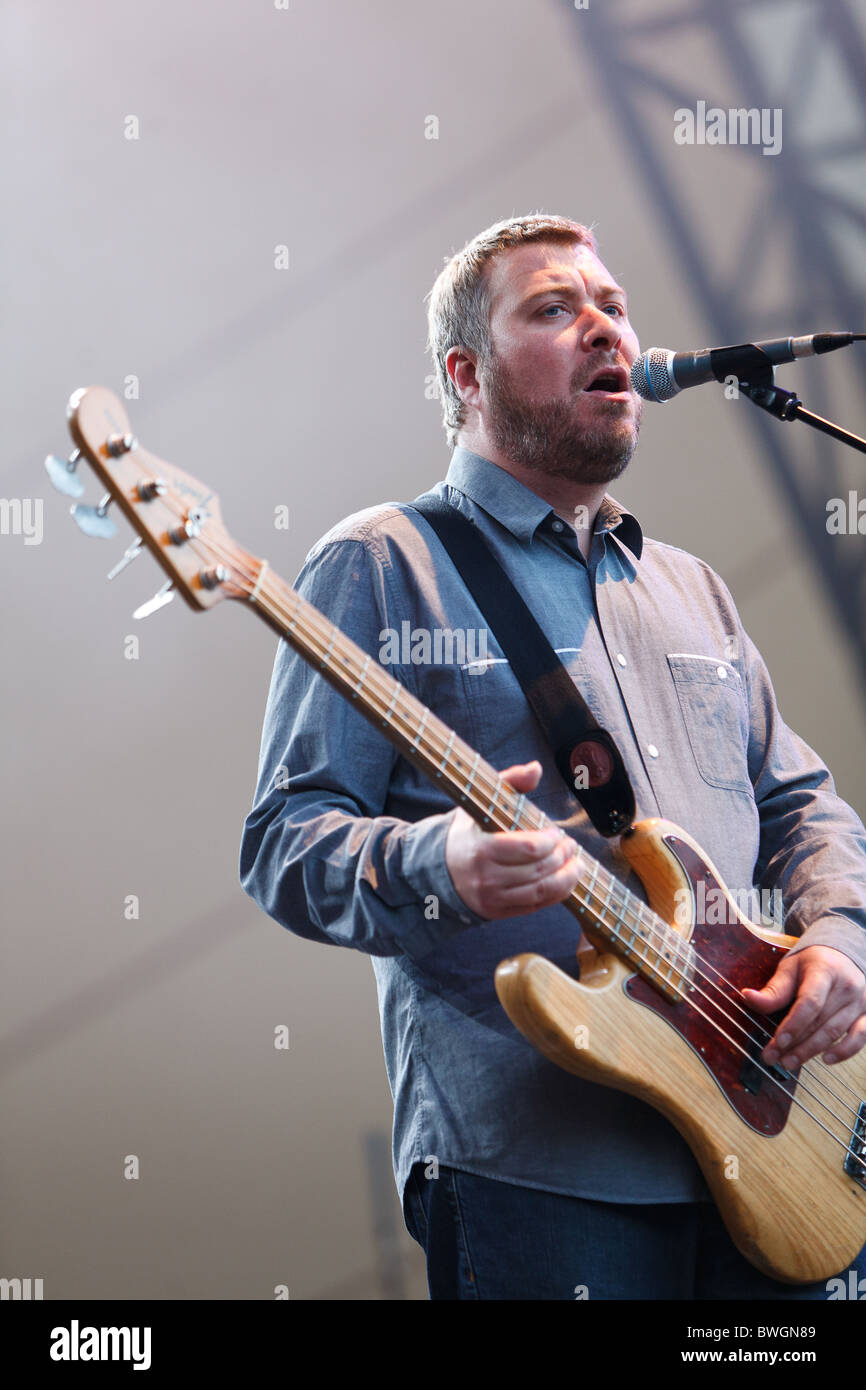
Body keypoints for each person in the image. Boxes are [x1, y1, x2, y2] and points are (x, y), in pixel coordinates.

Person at [239, 213, 866, 1300]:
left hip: (784, 1139)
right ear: (464, 373)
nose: (602, 328)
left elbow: (801, 803)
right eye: (553, 308)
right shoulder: (382, 562)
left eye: (613, 307)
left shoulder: (689, 587)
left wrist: (839, 938)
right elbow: (283, 840)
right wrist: (441, 866)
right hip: (540, 1169)